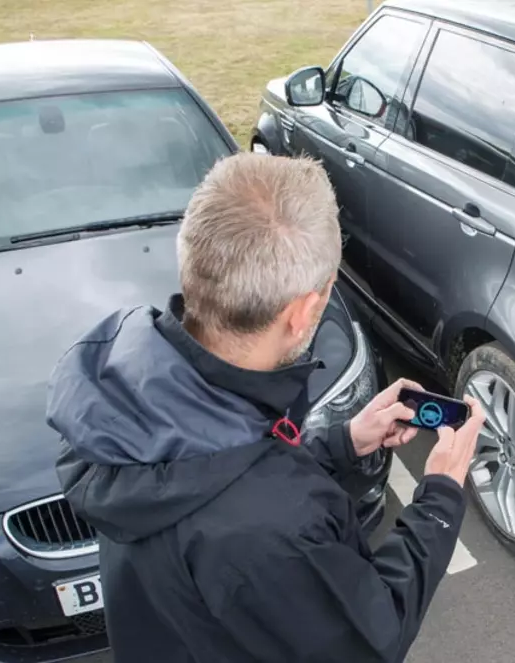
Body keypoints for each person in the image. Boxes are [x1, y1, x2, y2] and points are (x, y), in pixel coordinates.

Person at [45, 152, 484, 662]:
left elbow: (220, 473)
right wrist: (441, 496)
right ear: (300, 313)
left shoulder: (126, 395)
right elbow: (372, 632)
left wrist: (342, 444)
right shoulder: (277, 525)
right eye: (324, 293)